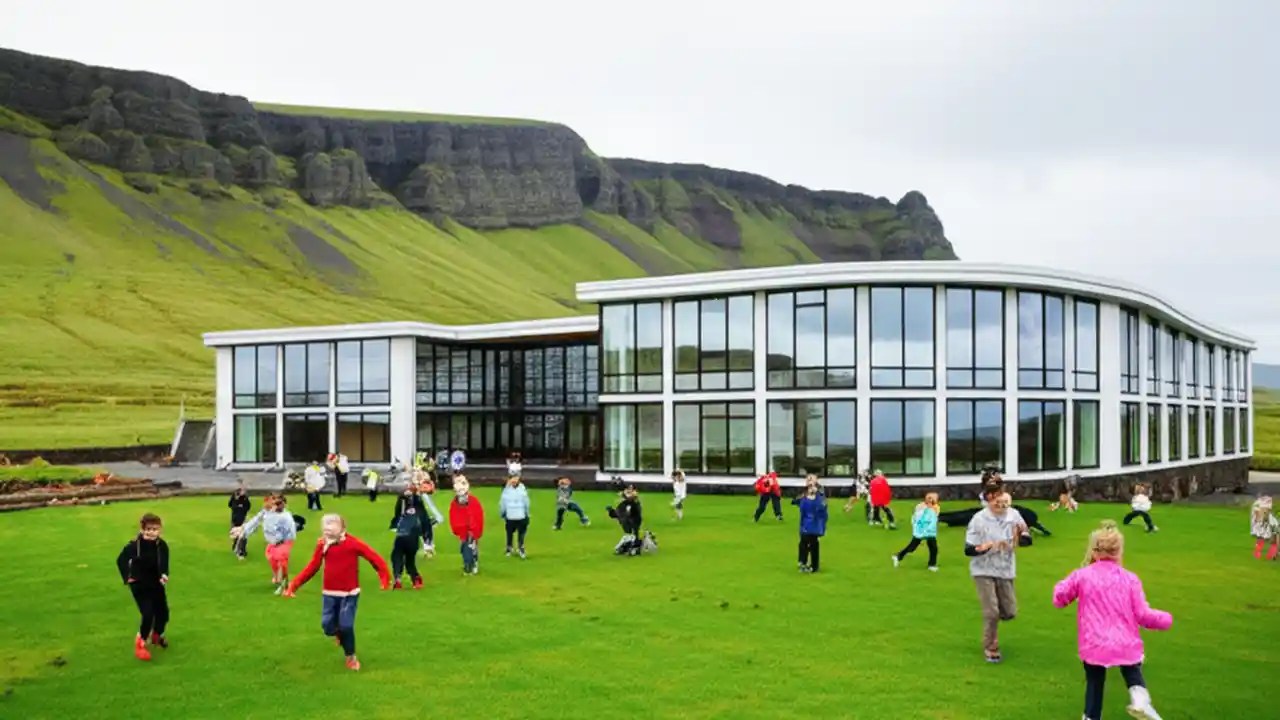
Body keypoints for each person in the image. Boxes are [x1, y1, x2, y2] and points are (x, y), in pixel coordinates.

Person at [1053, 520, 1173, 720]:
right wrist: (1165, 619)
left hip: (1094, 642)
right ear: (1119, 552)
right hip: (1125, 640)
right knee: (1131, 667)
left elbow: (1060, 598)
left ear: (1094, 551)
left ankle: (1091, 716)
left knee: (1094, 681)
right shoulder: (1130, 578)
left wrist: (1060, 591)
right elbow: (1143, 614)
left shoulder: (1082, 576)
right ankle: (1140, 698)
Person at [283, 514, 391, 671]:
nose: (327, 528)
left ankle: (351, 657)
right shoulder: (323, 545)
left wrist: (384, 578)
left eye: (332, 524)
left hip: (349, 594)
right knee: (327, 626)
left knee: (346, 625)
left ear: (342, 528)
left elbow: (374, 558)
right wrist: (294, 585)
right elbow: (313, 566)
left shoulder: (353, 543)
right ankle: (339, 634)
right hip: (330, 594)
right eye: (325, 525)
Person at [964, 490, 1027, 663]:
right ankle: (991, 647)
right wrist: (985, 546)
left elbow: (1026, 539)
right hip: (983, 569)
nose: (1000, 506)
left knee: (1010, 611)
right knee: (992, 612)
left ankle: (994, 623)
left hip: (1005, 568)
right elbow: (968, 549)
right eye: (996, 502)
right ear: (988, 502)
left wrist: (1019, 537)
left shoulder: (1014, 516)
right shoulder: (979, 519)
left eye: (1003, 502)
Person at [116, 512, 170, 661]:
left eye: (155, 529)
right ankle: (140, 643)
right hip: (139, 584)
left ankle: (157, 635)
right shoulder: (134, 546)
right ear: (143, 529)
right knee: (148, 614)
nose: (152, 533)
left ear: (159, 530)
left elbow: (164, 562)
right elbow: (121, 560)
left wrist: (164, 574)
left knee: (163, 613)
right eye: (148, 530)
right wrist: (128, 577)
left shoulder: (162, 545)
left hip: (156, 583)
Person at [234, 494, 298, 594]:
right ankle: (278, 578)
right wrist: (243, 530)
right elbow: (255, 521)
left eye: (276, 503)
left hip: (283, 542)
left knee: (282, 562)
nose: (272, 505)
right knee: (272, 560)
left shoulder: (285, 517)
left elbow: (290, 532)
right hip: (272, 543)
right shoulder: (265, 512)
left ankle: (284, 586)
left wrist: (283, 542)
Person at [388, 484, 427, 589]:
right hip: (413, 537)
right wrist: (427, 541)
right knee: (410, 559)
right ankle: (416, 578)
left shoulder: (402, 501)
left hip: (402, 534)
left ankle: (397, 577)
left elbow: (397, 514)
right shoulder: (419, 505)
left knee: (396, 556)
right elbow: (425, 520)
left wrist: (402, 497)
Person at [893, 492, 940, 571]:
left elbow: (934, 519)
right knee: (912, 547)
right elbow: (916, 519)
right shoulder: (921, 508)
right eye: (930, 498)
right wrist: (919, 528)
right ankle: (898, 556)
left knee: (933, 547)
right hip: (921, 531)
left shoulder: (935, 508)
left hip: (929, 532)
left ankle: (932, 564)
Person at [448, 475, 485, 575]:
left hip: (473, 530)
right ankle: (467, 564)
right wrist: (457, 529)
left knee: (472, 547)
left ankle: (473, 564)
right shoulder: (454, 504)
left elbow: (478, 516)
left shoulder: (474, 501)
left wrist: (475, 530)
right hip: (462, 531)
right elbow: (453, 517)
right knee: (464, 548)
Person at [793, 476, 828, 573]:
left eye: (811, 479)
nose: (809, 482)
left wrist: (816, 494)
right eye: (808, 480)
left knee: (813, 545)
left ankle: (814, 566)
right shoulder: (804, 496)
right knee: (803, 543)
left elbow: (823, 510)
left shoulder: (820, 496)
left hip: (815, 525)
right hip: (806, 524)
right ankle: (802, 562)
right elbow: (797, 504)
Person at [607, 484, 649, 556]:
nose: (629, 492)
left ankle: (636, 546)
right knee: (628, 537)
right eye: (628, 490)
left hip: (633, 524)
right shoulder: (623, 504)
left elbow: (635, 515)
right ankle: (630, 546)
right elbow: (617, 514)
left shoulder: (635, 504)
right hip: (627, 525)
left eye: (631, 490)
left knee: (632, 536)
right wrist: (611, 511)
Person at [499, 474, 531, 558]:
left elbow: (526, 502)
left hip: (521, 515)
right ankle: (510, 548)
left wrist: (527, 513)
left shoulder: (522, 489)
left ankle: (520, 548)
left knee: (521, 534)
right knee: (509, 533)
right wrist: (502, 512)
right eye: (512, 479)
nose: (513, 481)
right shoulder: (506, 490)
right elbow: (503, 502)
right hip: (510, 515)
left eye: (515, 479)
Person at [1250, 495, 1278, 560]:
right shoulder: (1260, 507)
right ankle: (1271, 554)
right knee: (1264, 538)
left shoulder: (1272, 519)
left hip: (1270, 524)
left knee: (1270, 539)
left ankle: (1271, 554)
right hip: (1266, 523)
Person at [228, 484, 252, 559]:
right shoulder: (234, 498)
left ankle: (242, 551)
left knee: (243, 536)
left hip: (242, 519)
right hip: (235, 519)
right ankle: (236, 548)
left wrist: (244, 498)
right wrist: (236, 500)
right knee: (236, 535)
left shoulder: (245, 499)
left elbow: (248, 507)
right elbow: (230, 505)